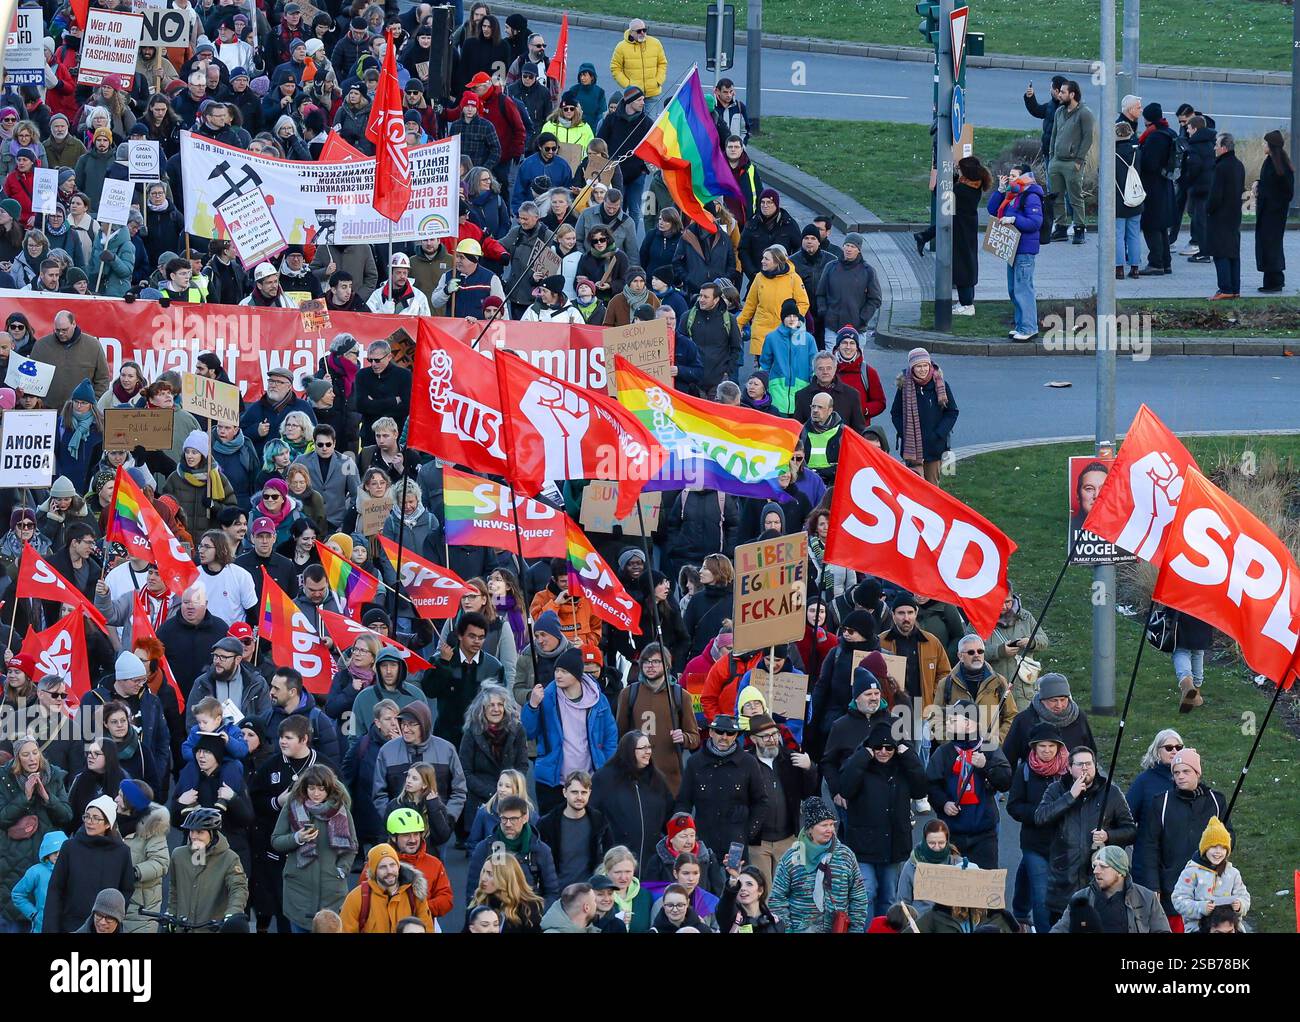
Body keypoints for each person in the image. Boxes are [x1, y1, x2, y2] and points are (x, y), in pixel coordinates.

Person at [1034, 745, 1137, 925]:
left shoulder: (1110, 793)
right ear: (1069, 767)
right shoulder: (1056, 790)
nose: (1085, 769)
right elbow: (1040, 817)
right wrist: (1070, 796)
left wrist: (1108, 836)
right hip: (1063, 880)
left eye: (1089, 764)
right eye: (1080, 764)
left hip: (1099, 881)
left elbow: (1131, 831)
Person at [1134, 747, 1231, 931]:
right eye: (1176, 772)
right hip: (1173, 890)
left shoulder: (1216, 801)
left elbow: (1229, 837)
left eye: (1186, 771)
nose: (1180, 776)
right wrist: (1153, 885)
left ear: (1197, 773)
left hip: (1210, 890)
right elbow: (1149, 846)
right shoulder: (1160, 803)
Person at [839, 720, 927, 920]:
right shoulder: (859, 763)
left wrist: (909, 755)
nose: (884, 752)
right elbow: (845, 787)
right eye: (878, 747)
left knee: (888, 897)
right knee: (867, 893)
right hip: (863, 844)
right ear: (870, 747)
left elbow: (921, 788)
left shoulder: (903, 766)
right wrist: (863, 755)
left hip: (893, 844)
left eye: (889, 747)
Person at [522, 646, 618, 815]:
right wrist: (533, 705)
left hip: (588, 782)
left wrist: (607, 770)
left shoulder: (598, 700)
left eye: (564, 671)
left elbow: (610, 737)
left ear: (577, 674)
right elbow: (528, 732)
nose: (558, 675)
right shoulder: (547, 696)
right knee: (551, 834)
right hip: (553, 782)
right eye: (557, 670)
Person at [270, 764, 358, 932]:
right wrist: (297, 838)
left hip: (331, 891)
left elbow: (351, 847)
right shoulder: (293, 806)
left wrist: (341, 870)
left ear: (329, 788)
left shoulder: (341, 810)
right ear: (305, 787)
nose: (316, 793)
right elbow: (276, 841)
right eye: (311, 788)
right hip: (298, 890)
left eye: (321, 788)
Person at [0, 736, 74, 932]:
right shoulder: (3, 779)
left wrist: (47, 798)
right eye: (26, 754)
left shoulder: (54, 776)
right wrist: (24, 797)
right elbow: (1, 817)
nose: (32, 758)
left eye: (35, 753)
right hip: (11, 857)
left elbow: (67, 816)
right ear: (17, 759)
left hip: (46, 859)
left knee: (45, 916)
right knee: (14, 913)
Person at [925, 702, 1010, 870]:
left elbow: (1005, 781)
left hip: (984, 833)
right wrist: (944, 803)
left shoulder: (989, 748)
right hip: (951, 833)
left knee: (984, 885)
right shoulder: (943, 752)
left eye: (953, 720)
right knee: (952, 888)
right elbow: (930, 785)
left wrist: (987, 766)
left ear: (969, 723)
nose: (948, 723)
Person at [675, 714, 768, 860]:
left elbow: (761, 802)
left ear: (736, 735)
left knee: (734, 881)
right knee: (703, 882)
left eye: (730, 733)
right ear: (711, 733)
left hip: (736, 845)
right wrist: (684, 834)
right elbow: (683, 802)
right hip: (703, 843)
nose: (724, 737)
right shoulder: (695, 762)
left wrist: (747, 833)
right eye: (719, 731)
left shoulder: (748, 763)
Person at [769, 796, 868, 933]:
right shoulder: (791, 858)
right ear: (810, 829)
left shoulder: (845, 855)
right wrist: (787, 930)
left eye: (832, 824)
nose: (830, 830)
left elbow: (858, 897)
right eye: (824, 825)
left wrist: (855, 929)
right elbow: (777, 899)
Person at [613, 642, 700, 795]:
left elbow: (695, 739)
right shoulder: (628, 694)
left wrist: (684, 737)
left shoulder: (680, 696)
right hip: (637, 778)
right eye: (646, 661)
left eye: (656, 662)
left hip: (671, 782)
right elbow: (619, 737)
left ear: (667, 665)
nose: (650, 666)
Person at [1006, 723, 1069, 933]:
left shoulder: (1069, 771)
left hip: (1062, 845)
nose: (1047, 751)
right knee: (1042, 897)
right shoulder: (1024, 770)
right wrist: (1039, 814)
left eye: (1052, 746)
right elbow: (1013, 806)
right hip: (1034, 842)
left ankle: (1019, 911)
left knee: (1029, 874)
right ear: (1034, 747)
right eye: (1042, 746)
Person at [42, 794, 134, 933]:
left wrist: (112, 917)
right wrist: (51, 928)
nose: (90, 821)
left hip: (104, 926)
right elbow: (56, 889)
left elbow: (126, 890)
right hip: (70, 924)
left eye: (96, 818)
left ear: (108, 823)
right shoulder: (70, 847)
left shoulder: (121, 852)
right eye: (87, 816)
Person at [745, 714, 818, 887]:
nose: (772, 740)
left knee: (785, 890)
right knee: (763, 891)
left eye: (775, 734)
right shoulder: (746, 762)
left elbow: (807, 792)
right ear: (754, 739)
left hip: (787, 838)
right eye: (766, 736)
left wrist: (810, 769)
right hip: (758, 841)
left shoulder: (790, 759)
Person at [371, 701, 467, 832]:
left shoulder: (447, 750)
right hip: (399, 830)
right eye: (403, 724)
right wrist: (391, 819)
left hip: (436, 830)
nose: (405, 729)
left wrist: (447, 818)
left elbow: (459, 790)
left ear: (424, 724)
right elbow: (379, 794)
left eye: (411, 724)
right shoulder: (386, 751)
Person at [589, 730, 673, 869]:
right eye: (642, 748)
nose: (648, 752)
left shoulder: (657, 780)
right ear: (629, 751)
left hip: (651, 860)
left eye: (649, 747)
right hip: (616, 859)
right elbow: (593, 816)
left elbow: (669, 815)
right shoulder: (605, 778)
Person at [424, 611, 504, 749]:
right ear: (460, 635)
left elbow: (501, 703)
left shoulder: (493, 666)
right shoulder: (440, 660)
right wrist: (443, 664)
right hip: (446, 739)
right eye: (472, 636)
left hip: (482, 740)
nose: (477, 641)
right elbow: (430, 690)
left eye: (481, 637)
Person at [459, 684, 530, 834]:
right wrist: (493, 793)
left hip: (512, 797)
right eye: (491, 705)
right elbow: (465, 772)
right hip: (480, 800)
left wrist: (511, 789)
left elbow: (522, 765)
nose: (496, 709)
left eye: (500, 704)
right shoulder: (472, 732)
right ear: (482, 708)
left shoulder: (517, 730)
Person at [985, 164, 1045, 341]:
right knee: (1014, 289)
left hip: (1024, 249)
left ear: (1023, 177)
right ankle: (1021, 326)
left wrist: (1014, 219)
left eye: (1013, 175)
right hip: (1013, 248)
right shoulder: (1013, 194)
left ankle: (1029, 327)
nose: (1009, 178)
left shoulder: (1030, 195)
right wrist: (1000, 191)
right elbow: (992, 210)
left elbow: (1035, 222)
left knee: (1023, 288)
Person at [464, 793, 559, 904]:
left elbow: (551, 893)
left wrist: (536, 915)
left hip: (528, 916)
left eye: (514, 819)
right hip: (494, 917)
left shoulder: (541, 851)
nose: (508, 824)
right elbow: (473, 892)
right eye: (504, 818)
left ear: (525, 818)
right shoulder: (484, 848)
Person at [1050, 846, 1170, 933]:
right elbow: (1060, 930)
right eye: (1095, 866)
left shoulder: (1146, 898)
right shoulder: (1081, 898)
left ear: (1119, 872)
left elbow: (1162, 931)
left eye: (1103, 866)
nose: (1096, 871)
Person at [936, 633, 1018, 747]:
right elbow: (937, 718)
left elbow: (1011, 715)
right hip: (956, 755)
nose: (976, 655)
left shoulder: (999, 682)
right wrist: (950, 744)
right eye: (971, 652)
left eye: (980, 651)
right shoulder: (946, 684)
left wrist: (998, 740)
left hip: (990, 751)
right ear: (960, 656)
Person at [890, 348, 958, 485]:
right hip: (912, 449)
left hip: (934, 447)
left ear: (930, 365)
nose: (922, 370)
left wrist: (939, 433)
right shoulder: (904, 387)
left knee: (932, 488)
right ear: (912, 368)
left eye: (925, 365)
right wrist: (905, 433)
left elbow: (952, 412)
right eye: (918, 366)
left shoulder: (941, 385)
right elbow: (895, 413)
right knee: (914, 488)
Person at [1171, 816, 1250, 932]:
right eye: (1213, 846)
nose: (1218, 852)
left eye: (1223, 848)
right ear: (1204, 849)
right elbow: (1178, 899)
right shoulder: (1191, 872)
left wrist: (1240, 906)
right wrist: (1201, 907)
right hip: (1198, 927)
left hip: (1230, 927)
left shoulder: (1233, 873)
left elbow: (1245, 897)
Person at [739, 245, 808, 370]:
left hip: (784, 332)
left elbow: (803, 303)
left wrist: (792, 321)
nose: (762, 261)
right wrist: (738, 324)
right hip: (761, 332)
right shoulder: (759, 278)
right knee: (763, 372)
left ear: (777, 262)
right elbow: (750, 305)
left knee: (781, 371)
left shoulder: (794, 278)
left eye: (766, 259)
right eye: (763, 258)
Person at [538, 771, 611, 889]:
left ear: (589, 793)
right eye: (574, 792)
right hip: (557, 892)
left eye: (584, 792)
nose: (579, 797)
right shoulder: (547, 824)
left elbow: (609, 856)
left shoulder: (600, 822)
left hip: (590, 891)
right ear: (564, 792)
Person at [340, 843, 434, 933]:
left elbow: (428, 929)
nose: (389, 871)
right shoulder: (357, 898)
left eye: (392, 865)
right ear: (374, 871)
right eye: (383, 867)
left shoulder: (414, 893)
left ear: (398, 866)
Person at [986, 587, 1051, 712]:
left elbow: (1044, 640)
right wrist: (999, 651)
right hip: (993, 690)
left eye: (1008, 602)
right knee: (997, 729)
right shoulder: (980, 619)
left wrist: (1031, 642)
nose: (1004, 606)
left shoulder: (1025, 617)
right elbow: (969, 651)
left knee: (1025, 728)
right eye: (999, 601)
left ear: (1013, 598)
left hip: (1023, 691)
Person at [1047, 80, 1095, 243]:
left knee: (1075, 197)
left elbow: (1088, 137)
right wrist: (1052, 156)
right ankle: (1060, 227)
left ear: (1072, 94)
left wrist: (1079, 160)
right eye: (1059, 92)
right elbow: (1054, 135)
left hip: (1073, 162)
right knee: (1057, 197)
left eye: (1063, 92)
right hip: (1057, 161)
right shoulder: (1059, 111)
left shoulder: (1084, 113)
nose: (1059, 94)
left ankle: (1079, 228)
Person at [895, 819, 967, 915]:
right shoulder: (912, 864)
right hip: (921, 920)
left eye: (941, 843)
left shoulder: (957, 862)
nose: (937, 847)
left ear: (947, 841)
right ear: (925, 841)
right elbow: (903, 901)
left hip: (951, 920)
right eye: (932, 843)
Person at [1255, 130, 1294, 292]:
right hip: (1268, 211)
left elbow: (1286, 192)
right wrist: (1258, 184)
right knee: (1268, 244)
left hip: (1274, 212)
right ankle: (1272, 279)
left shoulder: (1280, 165)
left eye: (1265, 143)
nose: (1263, 145)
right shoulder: (1271, 161)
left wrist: (1262, 190)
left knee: (1271, 245)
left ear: (1270, 146)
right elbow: (1268, 183)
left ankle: (1274, 282)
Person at [466, 856, 544, 934]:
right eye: (483, 871)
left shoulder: (528, 908)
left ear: (506, 877)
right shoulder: (478, 901)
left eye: (490, 874)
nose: (483, 878)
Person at [1126, 728, 1183, 830]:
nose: (1174, 751)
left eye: (1178, 747)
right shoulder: (1143, 781)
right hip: (1149, 842)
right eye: (1169, 748)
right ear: (1157, 752)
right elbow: (1125, 819)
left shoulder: (1188, 780)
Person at [1115, 121, 1145, 279]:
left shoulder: (1112, 155)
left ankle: (1118, 267)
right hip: (1135, 198)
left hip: (1118, 201)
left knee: (1118, 235)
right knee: (1134, 234)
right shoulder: (1137, 153)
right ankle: (1135, 268)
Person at [716, 863, 783, 933]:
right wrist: (733, 879)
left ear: (760, 890)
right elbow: (726, 904)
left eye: (749, 884)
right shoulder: (729, 917)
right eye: (739, 885)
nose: (743, 888)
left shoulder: (776, 922)